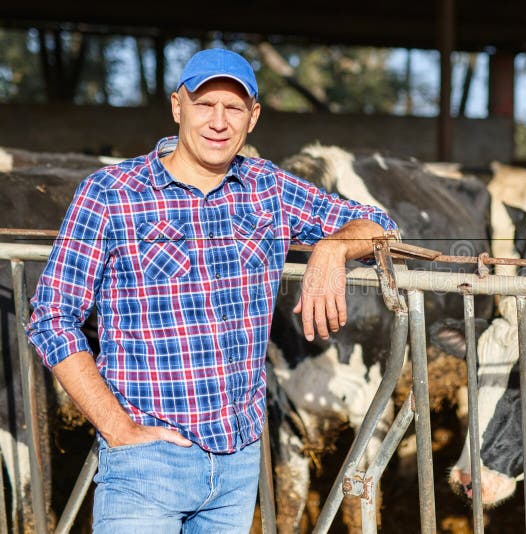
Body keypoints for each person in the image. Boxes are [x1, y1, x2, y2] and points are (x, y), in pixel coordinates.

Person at [26, 48, 396, 533]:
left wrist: (331, 249)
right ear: (177, 106)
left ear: (253, 117)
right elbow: (51, 317)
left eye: (234, 108)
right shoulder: (112, 192)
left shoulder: (268, 188)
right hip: (145, 465)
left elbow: (382, 226)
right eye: (204, 104)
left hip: (238, 465)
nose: (218, 121)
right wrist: (117, 428)